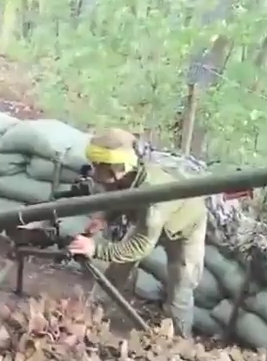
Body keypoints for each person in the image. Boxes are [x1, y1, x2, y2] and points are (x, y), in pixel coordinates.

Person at [67, 128, 207, 337]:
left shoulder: (153, 201)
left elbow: (140, 246)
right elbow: (120, 197)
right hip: (148, 223)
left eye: (99, 166)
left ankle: (179, 342)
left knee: (180, 290)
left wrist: (96, 249)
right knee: (116, 271)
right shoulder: (127, 176)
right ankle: (92, 315)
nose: (94, 173)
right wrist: (104, 217)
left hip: (186, 226)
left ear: (117, 168)